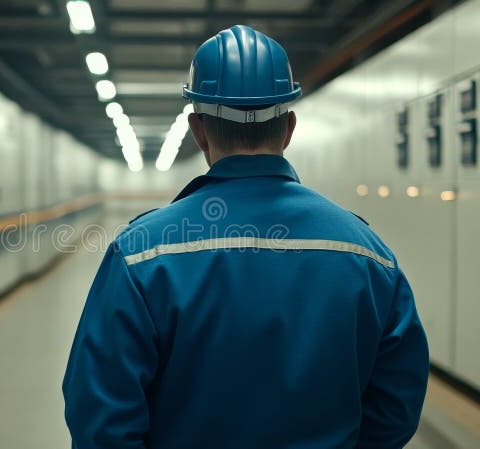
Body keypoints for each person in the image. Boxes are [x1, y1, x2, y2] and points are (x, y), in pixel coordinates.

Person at [63, 25, 429, 449]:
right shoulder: (368, 255)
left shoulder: (140, 255)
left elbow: (100, 420)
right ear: (288, 127)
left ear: (199, 130)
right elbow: (397, 405)